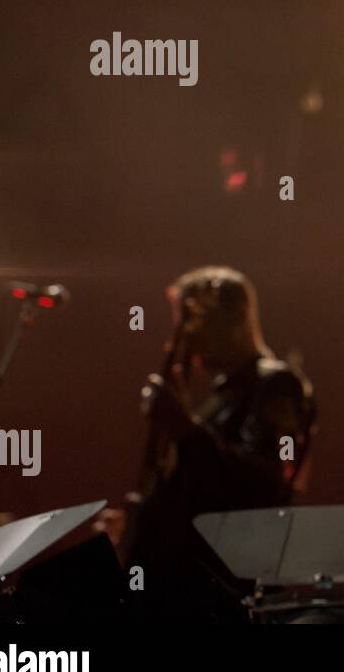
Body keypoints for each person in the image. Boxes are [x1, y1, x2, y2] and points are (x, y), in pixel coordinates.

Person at [97, 265, 316, 621]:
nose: (183, 340)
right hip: (185, 595)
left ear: (232, 319)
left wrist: (186, 430)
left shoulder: (276, 385)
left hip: (223, 600)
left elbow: (264, 488)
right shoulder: (221, 397)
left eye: (193, 324)